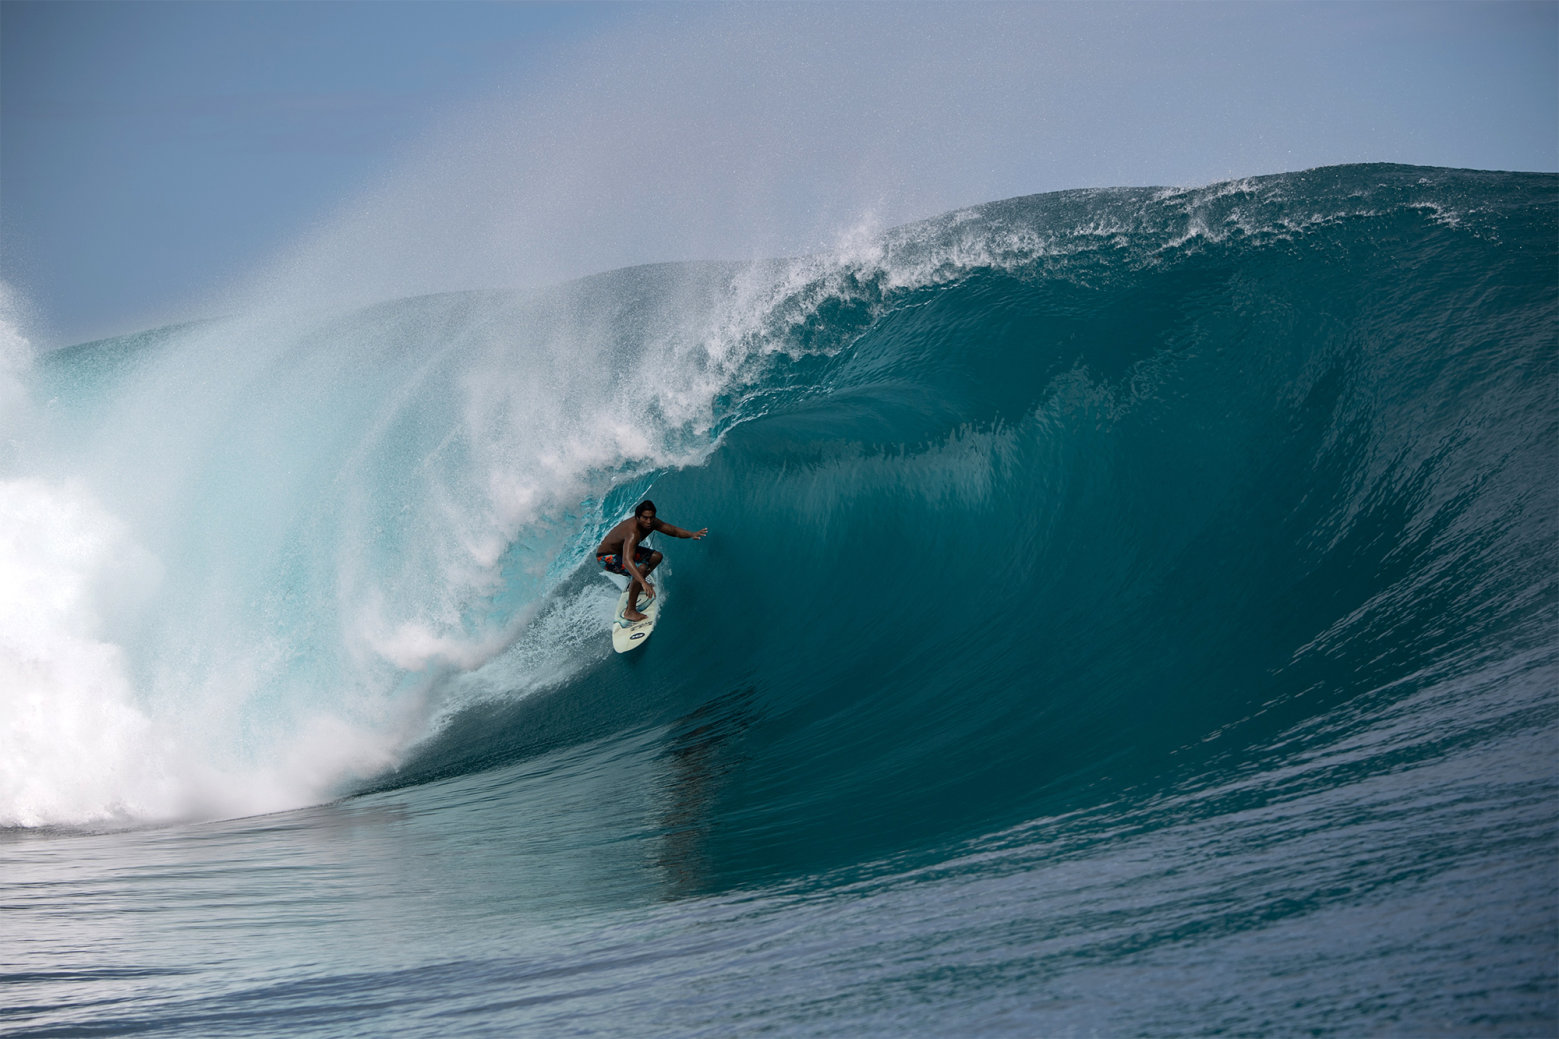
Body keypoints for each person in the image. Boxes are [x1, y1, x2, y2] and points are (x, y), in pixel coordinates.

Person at [596, 499, 707, 622]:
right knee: (641, 568)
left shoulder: (652, 522)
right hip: (606, 557)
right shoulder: (633, 532)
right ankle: (630, 611)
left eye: (651, 517)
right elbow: (627, 560)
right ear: (637, 517)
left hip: (623, 551)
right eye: (645, 518)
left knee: (656, 557)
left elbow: (673, 531)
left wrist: (691, 534)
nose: (649, 521)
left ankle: (636, 582)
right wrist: (643, 581)